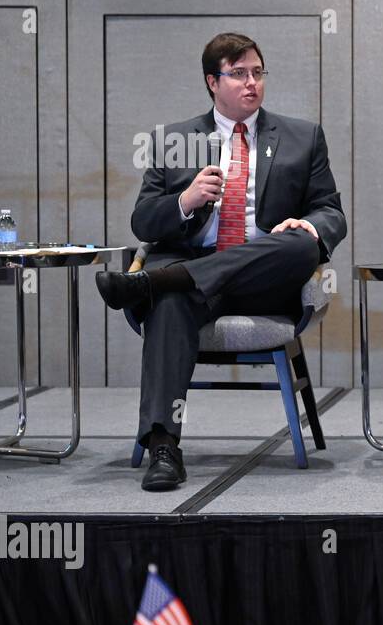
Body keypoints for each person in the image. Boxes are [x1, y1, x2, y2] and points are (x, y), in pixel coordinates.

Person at [96, 32, 347, 491]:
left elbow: (331, 211)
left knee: (297, 245)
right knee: (171, 303)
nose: (252, 83)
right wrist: (185, 202)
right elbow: (143, 222)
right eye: (238, 74)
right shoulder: (173, 140)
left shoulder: (301, 136)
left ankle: (160, 281)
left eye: (257, 73)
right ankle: (165, 448)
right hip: (198, 272)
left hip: (266, 274)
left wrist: (314, 227)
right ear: (213, 82)